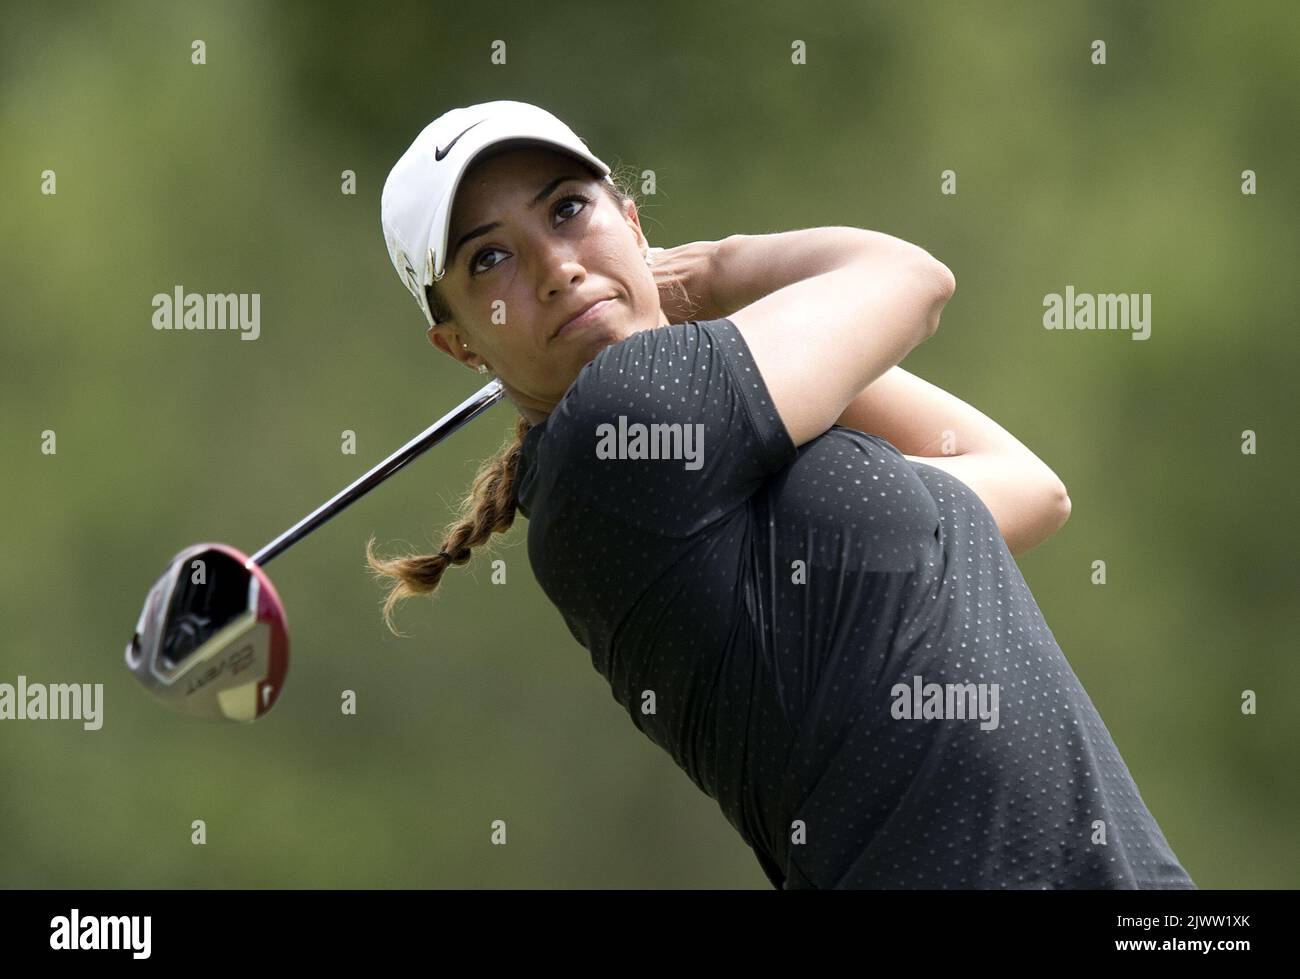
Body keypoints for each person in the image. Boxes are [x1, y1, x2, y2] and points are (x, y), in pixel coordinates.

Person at [369, 100, 1196, 889]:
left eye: (567, 210)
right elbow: (911, 278)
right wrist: (724, 269)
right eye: (490, 258)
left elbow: (1027, 487)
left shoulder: (716, 461)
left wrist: (714, 322)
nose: (558, 269)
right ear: (461, 345)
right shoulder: (618, 422)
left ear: (632, 222)